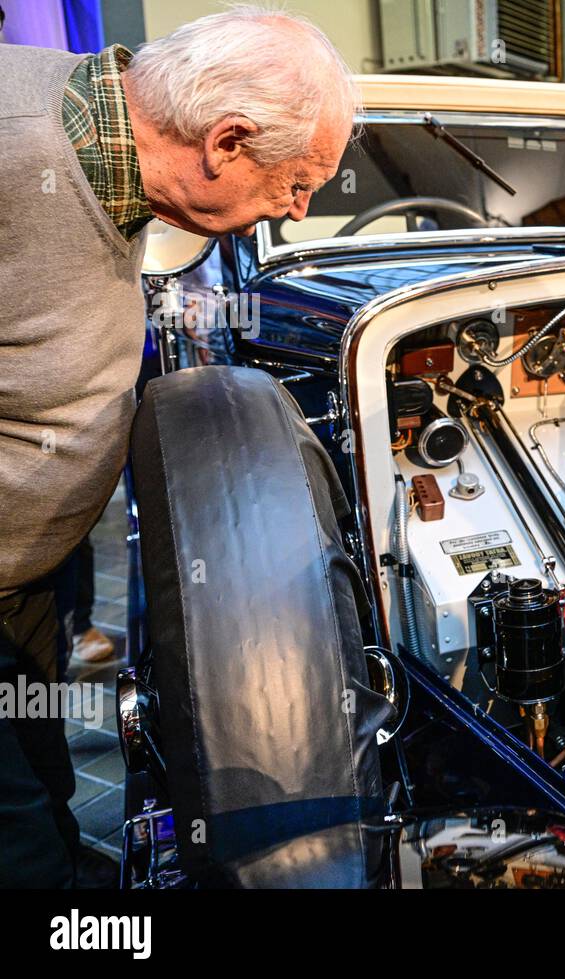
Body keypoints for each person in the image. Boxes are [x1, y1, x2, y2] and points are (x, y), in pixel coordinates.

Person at [0, 5, 357, 887]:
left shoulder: (109, 142)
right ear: (226, 140)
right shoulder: (18, 151)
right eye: (299, 180)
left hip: (26, 582)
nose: (302, 207)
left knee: (44, 785)